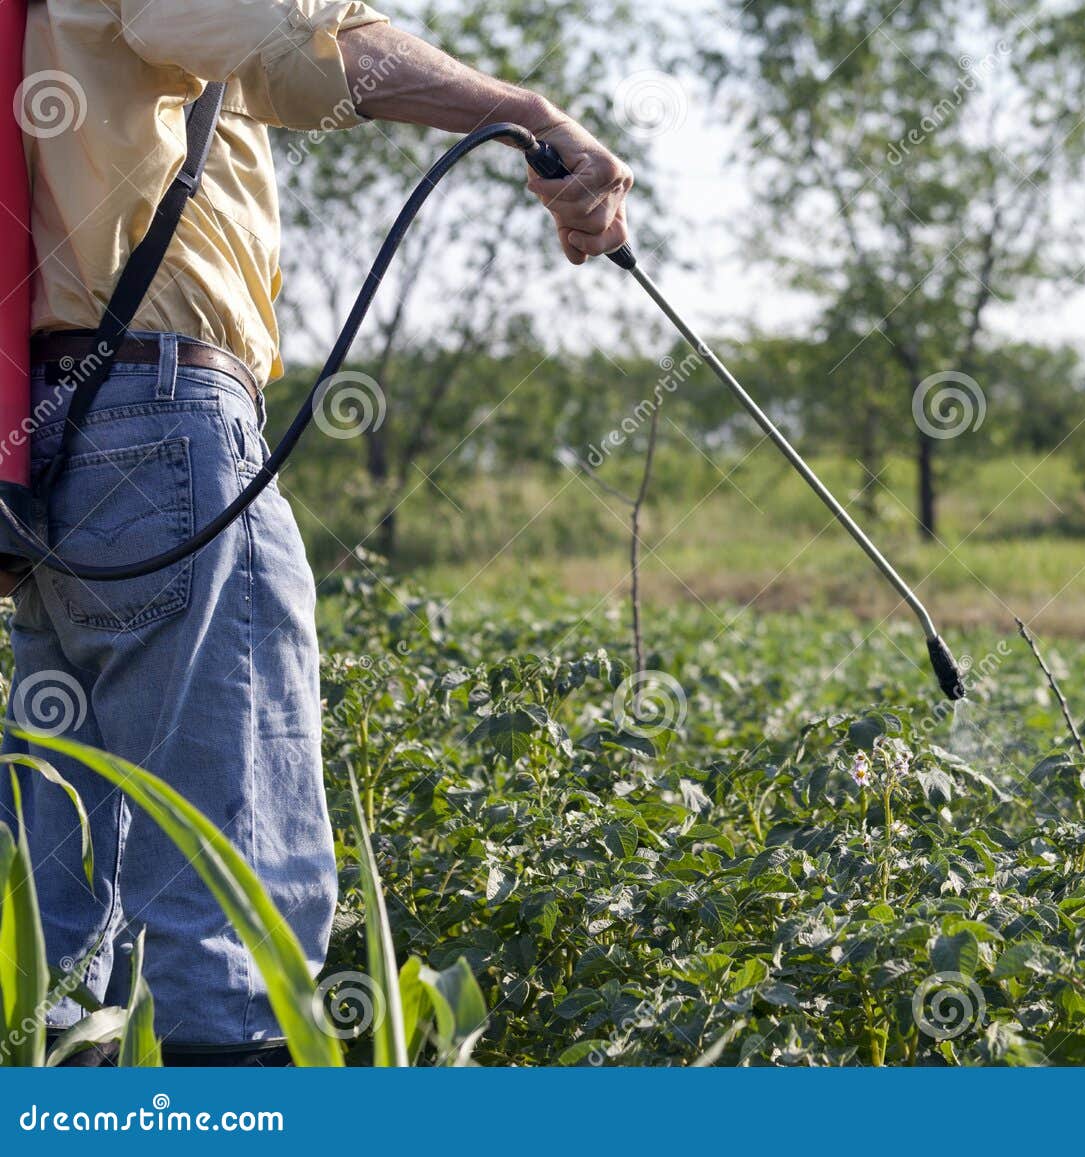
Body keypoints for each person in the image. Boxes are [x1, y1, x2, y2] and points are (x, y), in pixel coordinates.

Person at [3, 0, 631, 1065]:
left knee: (65, 906)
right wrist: (527, 113)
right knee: (227, 881)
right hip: (157, 417)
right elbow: (300, 53)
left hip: (49, 439)